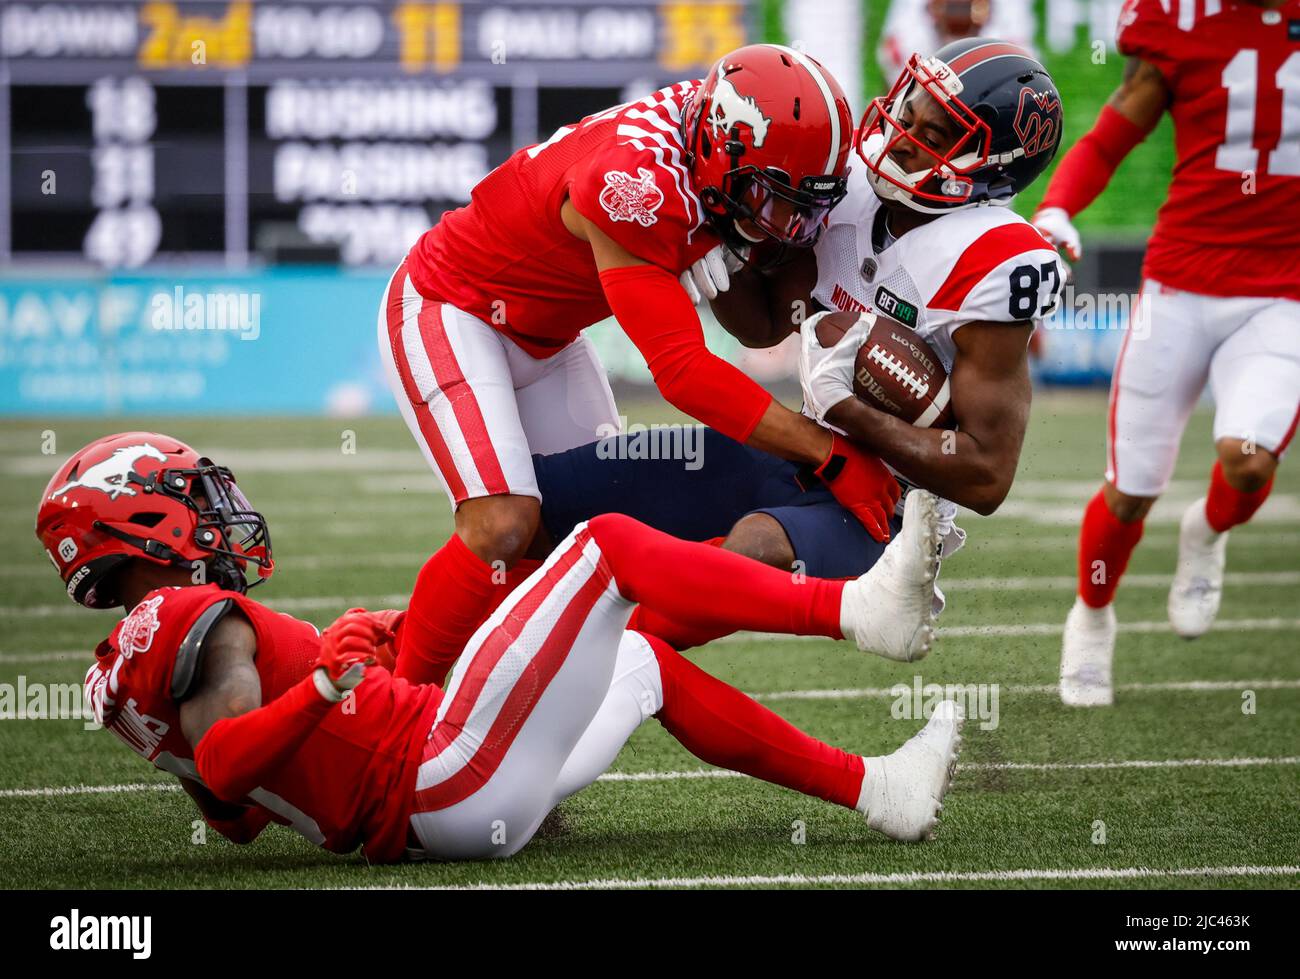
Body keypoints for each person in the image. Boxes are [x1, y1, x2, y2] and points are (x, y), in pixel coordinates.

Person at [38, 432, 962, 862]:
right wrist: (324, 681)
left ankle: (879, 789)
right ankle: (857, 608)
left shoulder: (125, 668)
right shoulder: (170, 619)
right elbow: (233, 765)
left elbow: (235, 817)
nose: (215, 515)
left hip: (441, 799)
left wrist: (344, 685)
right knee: (604, 544)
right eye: (190, 497)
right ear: (141, 523)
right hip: (444, 771)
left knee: (643, 664)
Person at [380, 43, 903, 688]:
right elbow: (681, 371)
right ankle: (400, 707)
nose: (787, 227)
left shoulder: (724, 133)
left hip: (551, 336)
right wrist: (831, 454)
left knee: (582, 542)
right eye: (773, 202)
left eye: (804, 204)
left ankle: (418, 664)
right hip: (450, 307)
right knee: (502, 524)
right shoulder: (633, 183)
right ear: (721, 156)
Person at [533, 38, 1067, 653]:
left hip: (881, 506)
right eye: (909, 108)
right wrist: (719, 237)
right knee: (547, 499)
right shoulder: (853, 180)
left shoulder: (997, 260)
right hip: (798, 451)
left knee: (748, 553)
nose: (900, 135)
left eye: (936, 131)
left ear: (990, 165)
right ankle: (432, 646)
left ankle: (561, 668)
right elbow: (762, 325)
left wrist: (852, 411)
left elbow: (985, 478)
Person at [1032, 0, 1300, 706]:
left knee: (1248, 460)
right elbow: (1117, 128)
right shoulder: (1182, 19)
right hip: (1181, 283)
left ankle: (1207, 530)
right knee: (1129, 488)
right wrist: (1059, 203)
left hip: (1285, 290)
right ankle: (1091, 615)